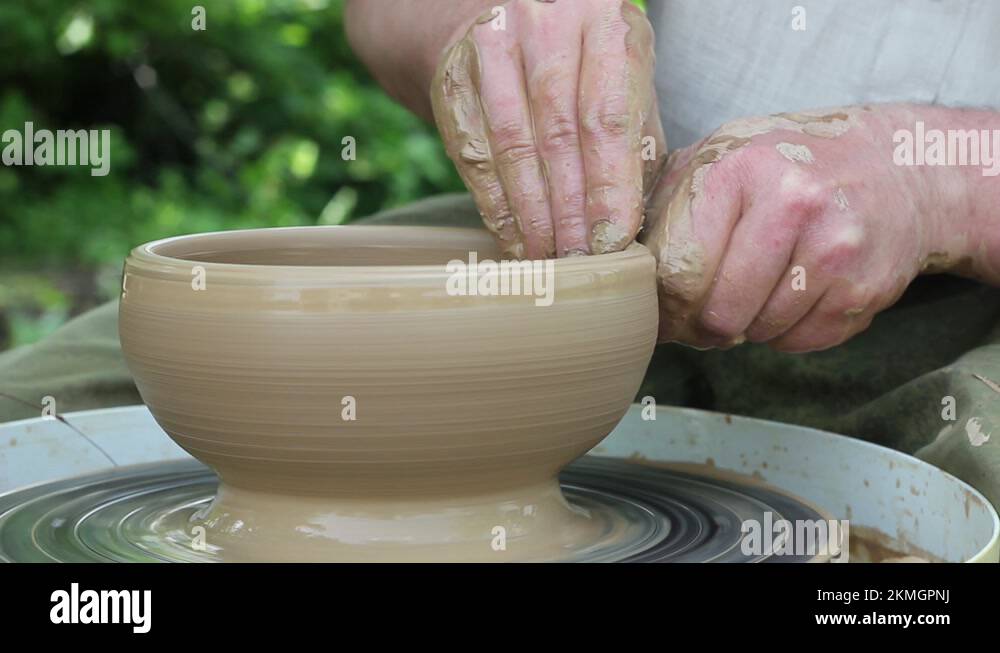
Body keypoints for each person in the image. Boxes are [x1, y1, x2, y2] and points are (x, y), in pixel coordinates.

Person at [2, 0, 999, 506]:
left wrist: (932, 178)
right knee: (35, 433)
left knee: (930, 520)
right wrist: (486, 36)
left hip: (973, 280)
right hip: (604, 240)